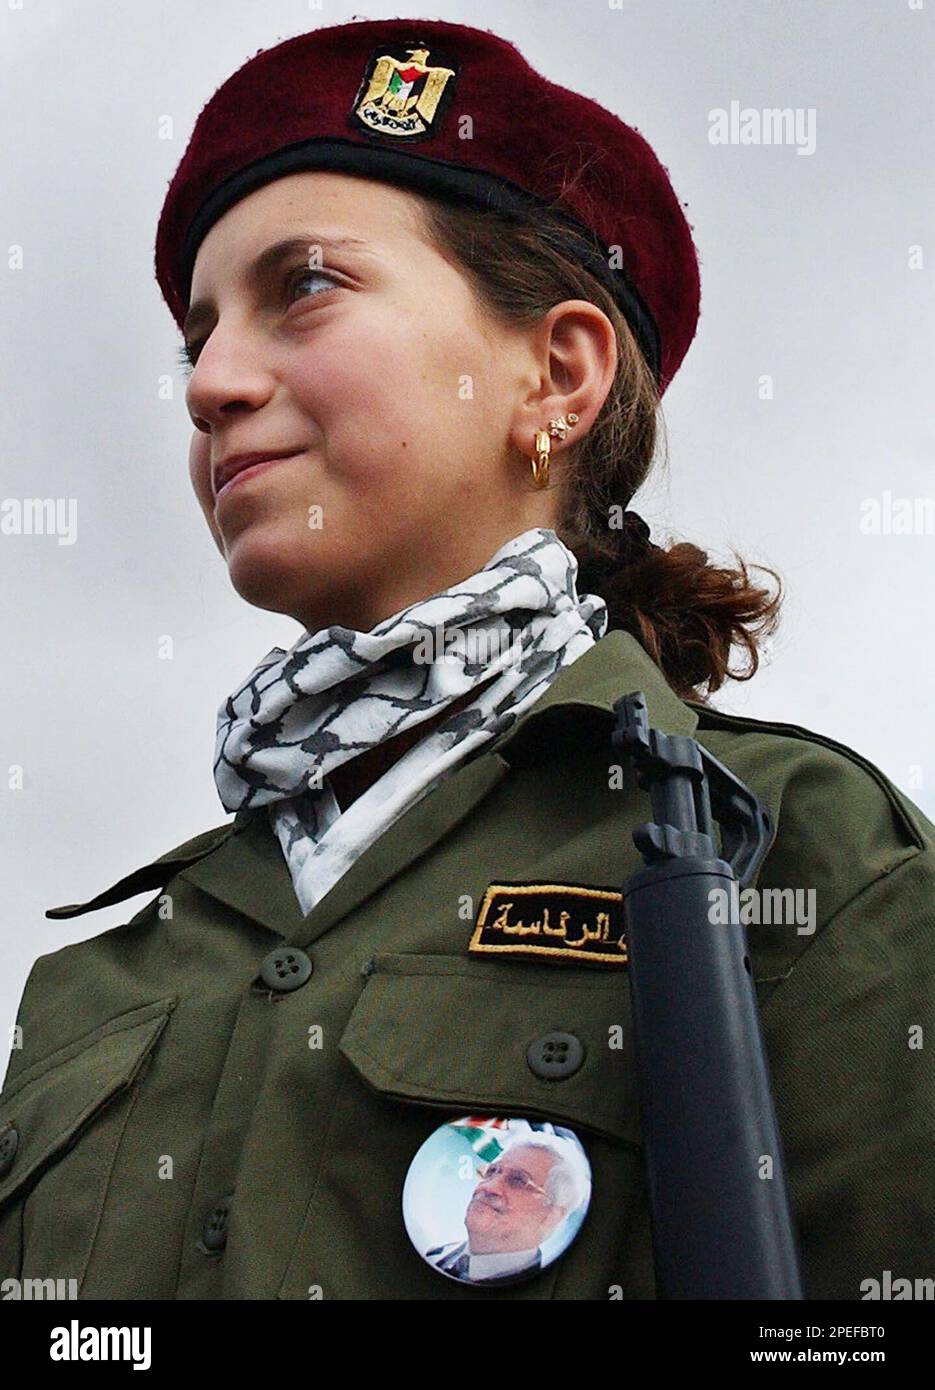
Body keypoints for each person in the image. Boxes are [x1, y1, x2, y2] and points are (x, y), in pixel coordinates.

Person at [0, 17, 932, 1302]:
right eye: (196, 336)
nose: (209, 382)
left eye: (304, 286)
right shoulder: (103, 978)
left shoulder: (788, 852)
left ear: (555, 372)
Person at [427, 1133, 589, 1285]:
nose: (488, 1187)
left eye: (518, 1180)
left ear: (553, 1215)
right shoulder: (433, 1255)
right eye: (492, 1172)